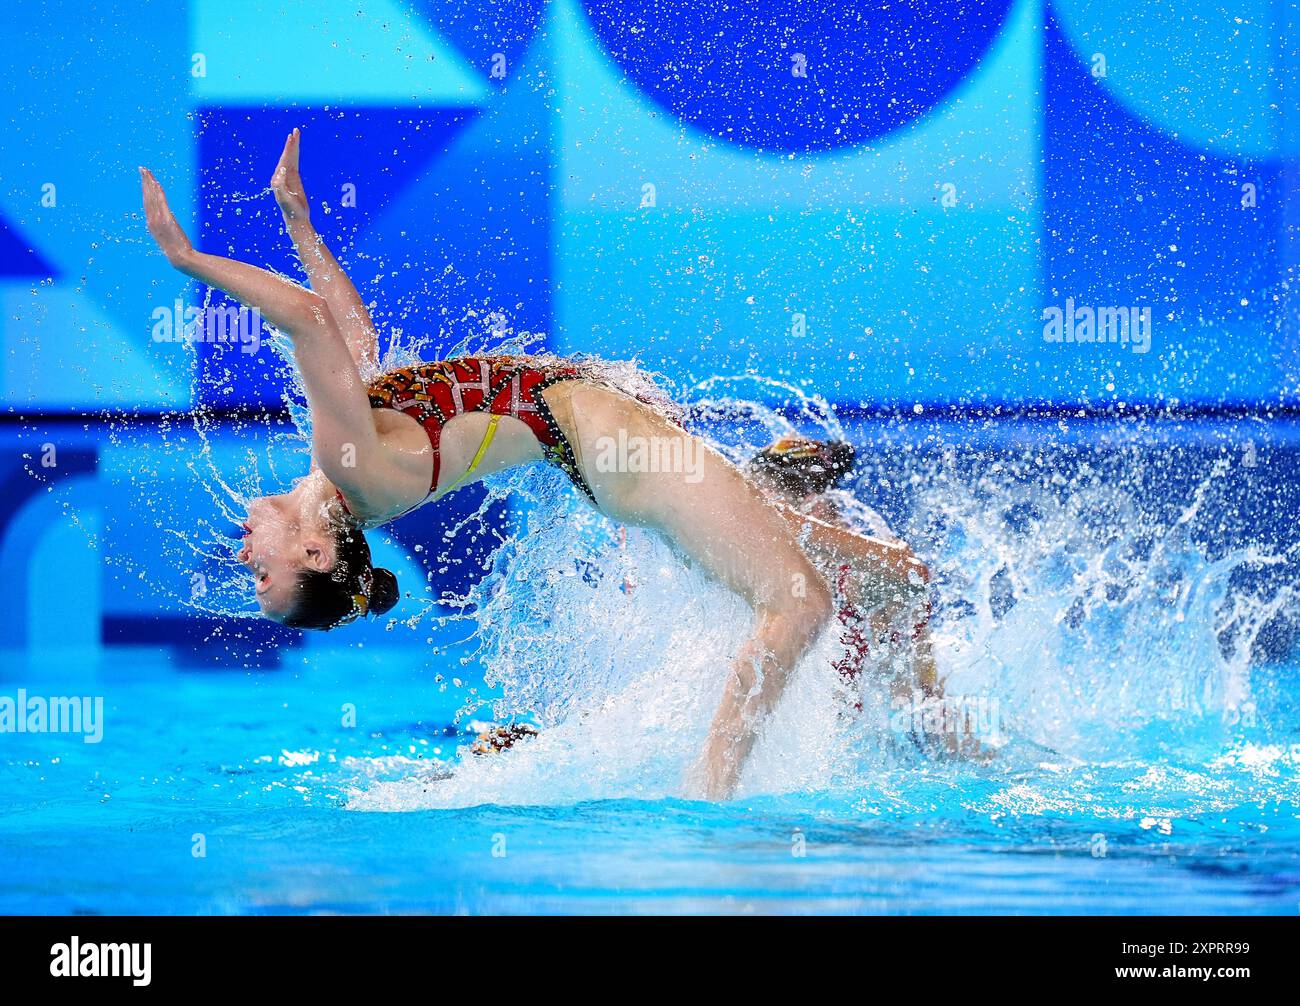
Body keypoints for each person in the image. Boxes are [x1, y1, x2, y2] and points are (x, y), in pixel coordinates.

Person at [140, 129, 929, 799]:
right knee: (796, 602)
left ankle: (940, 728)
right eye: (263, 576)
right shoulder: (347, 468)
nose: (245, 557)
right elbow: (309, 320)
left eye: (253, 576)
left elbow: (350, 339)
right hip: (615, 448)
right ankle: (710, 802)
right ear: (316, 553)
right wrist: (186, 259)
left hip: (605, 424)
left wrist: (301, 227)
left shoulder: (338, 468)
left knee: (898, 578)